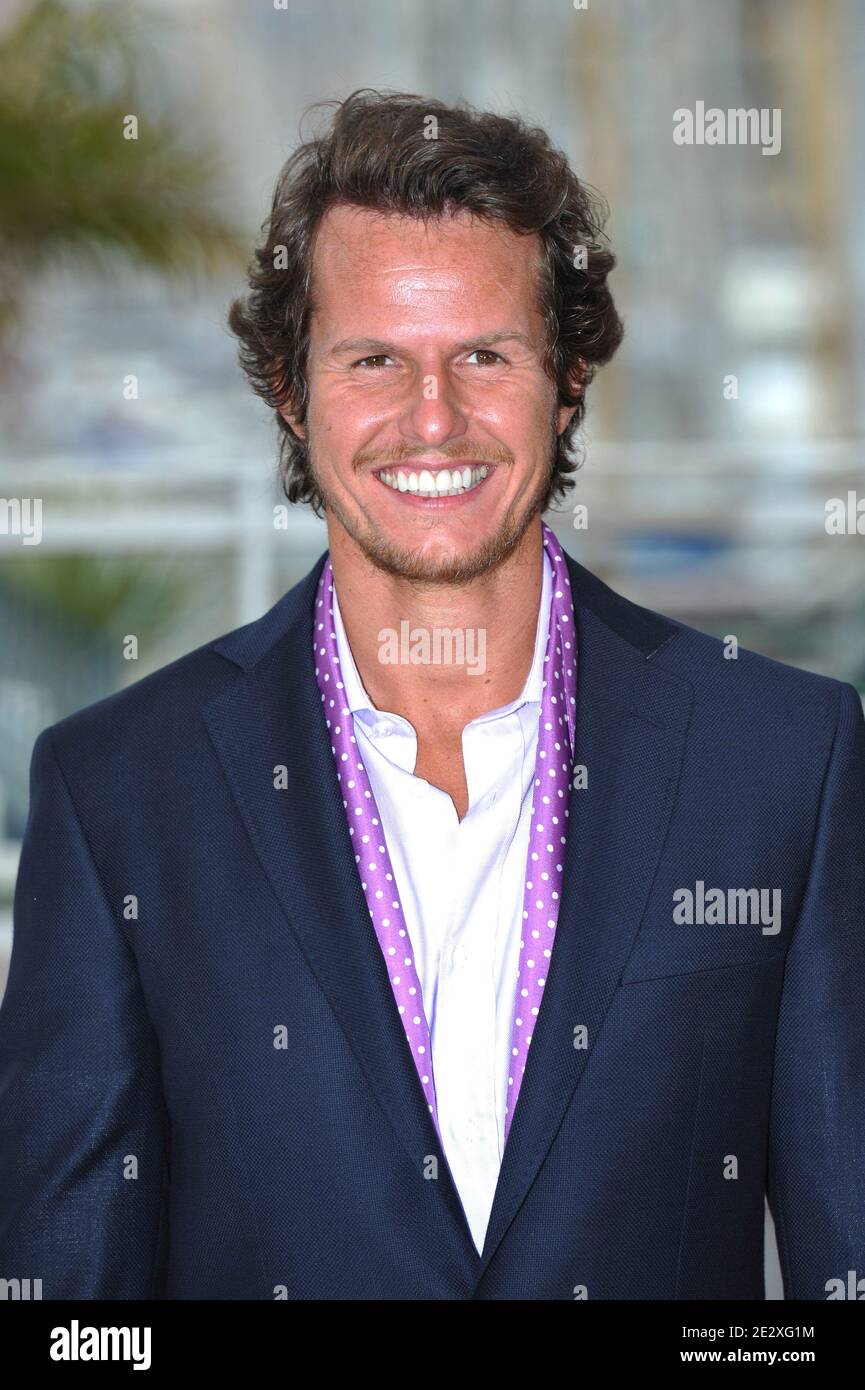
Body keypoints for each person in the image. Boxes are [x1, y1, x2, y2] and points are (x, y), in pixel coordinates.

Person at [1, 89, 862, 1301]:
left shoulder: (782, 760)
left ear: (565, 380)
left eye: (484, 355)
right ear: (292, 396)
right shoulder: (119, 797)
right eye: (373, 360)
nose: (433, 418)